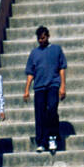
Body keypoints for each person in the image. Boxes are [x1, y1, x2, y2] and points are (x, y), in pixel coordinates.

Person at [23, 25, 67, 154]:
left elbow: (62, 68)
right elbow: (31, 73)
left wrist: (63, 86)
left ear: (48, 36)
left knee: (52, 109)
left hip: (53, 84)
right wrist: (27, 89)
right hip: (39, 87)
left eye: (43, 38)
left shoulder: (56, 49)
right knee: (40, 114)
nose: (41, 41)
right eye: (39, 39)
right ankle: (41, 141)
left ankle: (52, 137)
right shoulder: (34, 53)